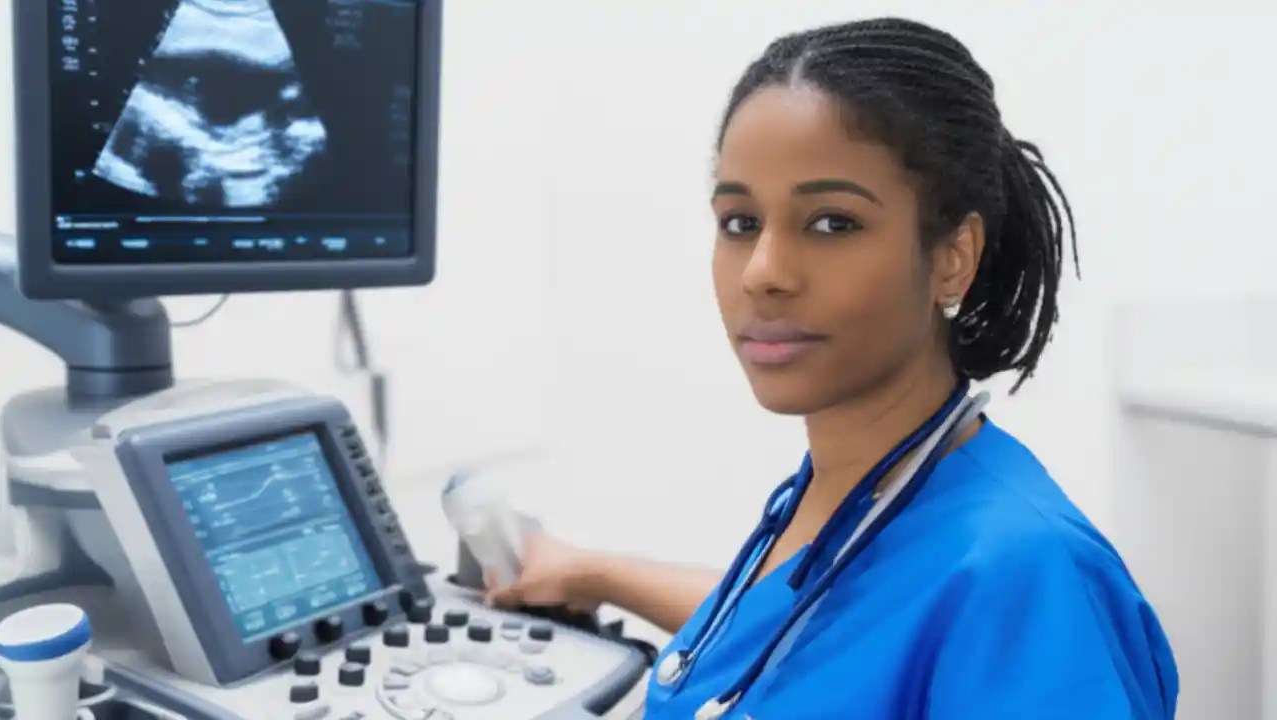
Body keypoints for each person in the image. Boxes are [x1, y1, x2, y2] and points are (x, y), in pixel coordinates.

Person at [488, 17, 1179, 719]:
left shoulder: (1029, 581)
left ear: (952, 258)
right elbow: (830, 639)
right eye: (740, 222)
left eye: (831, 223)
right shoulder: (835, 499)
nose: (763, 273)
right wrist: (596, 573)